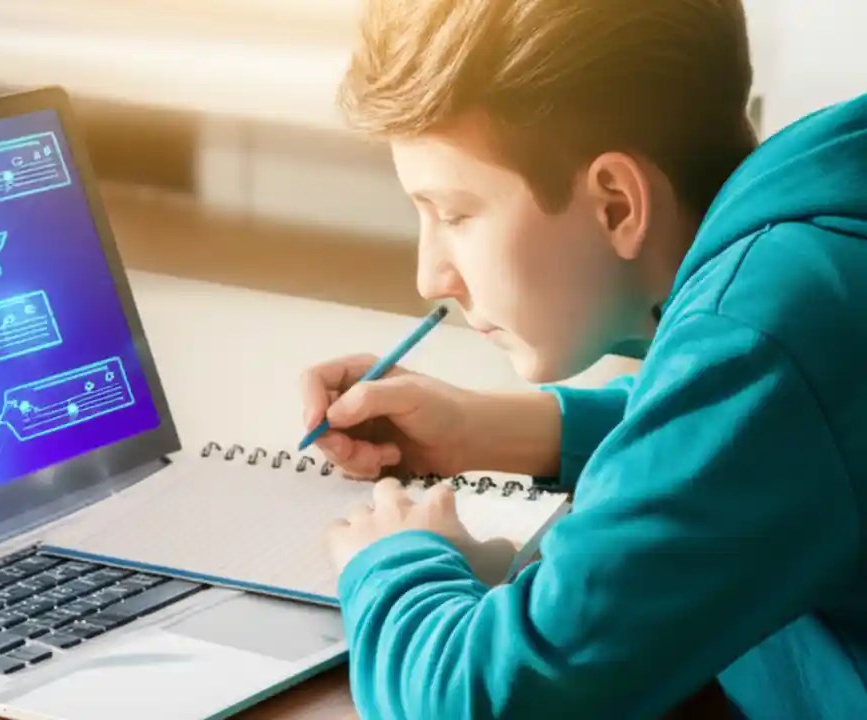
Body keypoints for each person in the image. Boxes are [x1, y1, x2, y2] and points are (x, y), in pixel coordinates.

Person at [300, 1, 867, 718]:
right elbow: (757, 433)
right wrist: (489, 430)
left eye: (453, 214)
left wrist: (394, 564)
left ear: (616, 205)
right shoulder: (813, 233)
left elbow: (483, 703)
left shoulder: (771, 337)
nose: (431, 277)